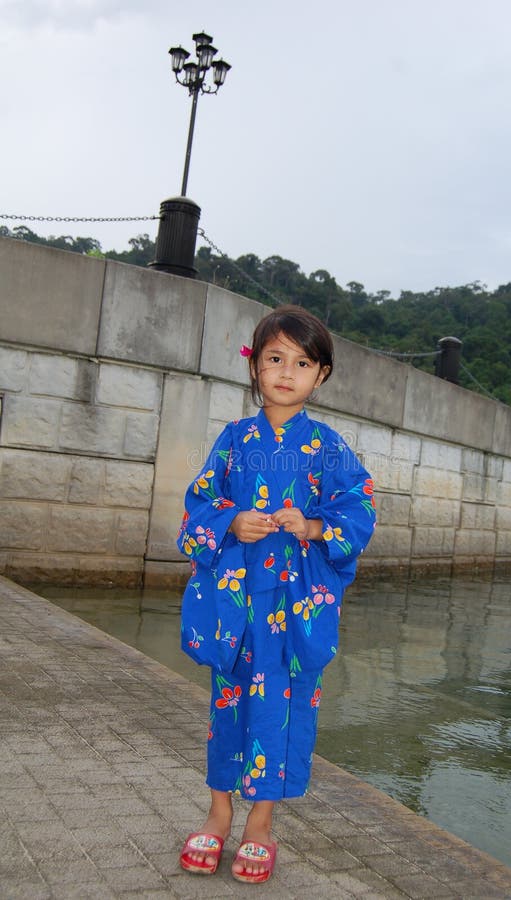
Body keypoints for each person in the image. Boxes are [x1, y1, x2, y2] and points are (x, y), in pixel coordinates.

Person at [176, 304, 376, 884]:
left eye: (303, 361)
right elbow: (199, 503)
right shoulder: (235, 439)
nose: (287, 371)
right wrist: (233, 521)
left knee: (283, 715)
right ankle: (218, 815)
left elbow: (360, 506)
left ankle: (260, 825)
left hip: (295, 609)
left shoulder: (328, 446)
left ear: (322, 375)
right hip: (238, 607)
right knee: (227, 707)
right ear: (256, 368)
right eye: (275, 359)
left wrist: (313, 528)